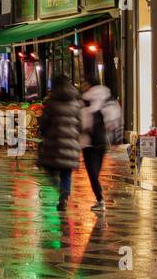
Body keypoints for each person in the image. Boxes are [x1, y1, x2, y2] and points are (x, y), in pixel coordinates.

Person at [37, 77, 82, 211]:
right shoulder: (75, 102)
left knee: (49, 169)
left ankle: (61, 190)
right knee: (66, 172)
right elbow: (80, 124)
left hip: (54, 143)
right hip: (70, 143)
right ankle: (65, 193)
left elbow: (44, 123)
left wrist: (43, 133)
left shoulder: (51, 102)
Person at [80, 81, 119, 212]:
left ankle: (100, 199)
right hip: (102, 142)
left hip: (88, 143)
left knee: (92, 174)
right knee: (95, 172)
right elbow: (114, 120)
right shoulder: (107, 100)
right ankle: (100, 198)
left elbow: (82, 123)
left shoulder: (86, 101)